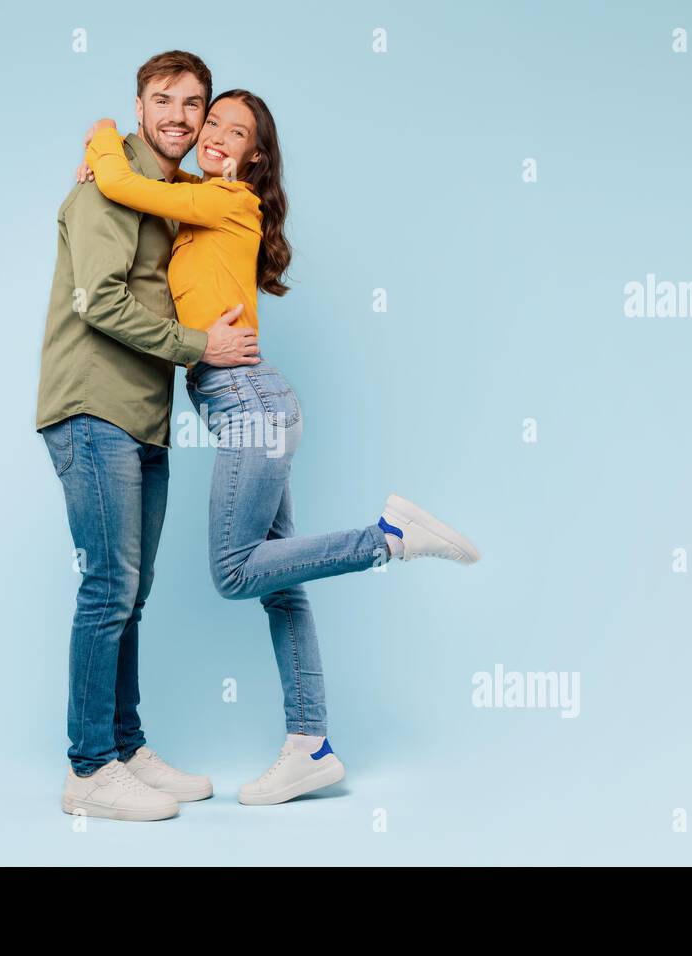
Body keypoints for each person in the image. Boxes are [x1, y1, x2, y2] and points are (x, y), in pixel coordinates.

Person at [80, 89, 481, 806]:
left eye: (237, 132)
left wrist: (104, 132)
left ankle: (387, 538)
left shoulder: (230, 201)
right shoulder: (190, 206)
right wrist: (102, 167)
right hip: (256, 402)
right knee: (279, 583)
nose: (216, 136)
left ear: (253, 156)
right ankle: (311, 744)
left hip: (247, 401)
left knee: (235, 571)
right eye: (213, 124)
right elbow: (129, 194)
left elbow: (120, 182)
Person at [36, 51, 260, 822]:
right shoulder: (107, 190)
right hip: (93, 407)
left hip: (143, 418)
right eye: (164, 100)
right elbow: (97, 301)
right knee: (108, 588)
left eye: (193, 104)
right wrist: (203, 347)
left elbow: (224, 201)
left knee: (132, 594)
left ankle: (125, 747)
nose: (180, 115)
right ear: (139, 108)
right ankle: (89, 769)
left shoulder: (171, 195)